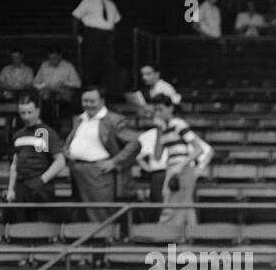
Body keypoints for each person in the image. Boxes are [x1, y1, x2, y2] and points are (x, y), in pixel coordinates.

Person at [64, 86, 139, 222]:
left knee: (100, 213)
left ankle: (105, 235)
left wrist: (115, 162)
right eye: (85, 101)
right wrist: (67, 151)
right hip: (77, 171)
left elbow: (134, 142)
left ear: (102, 101)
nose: (88, 104)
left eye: (92, 101)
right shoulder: (79, 119)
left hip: (98, 173)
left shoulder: (113, 119)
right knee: (79, 214)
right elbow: (71, 141)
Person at [151, 96, 212, 237]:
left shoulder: (178, 124)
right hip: (171, 169)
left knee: (172, 205)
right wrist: (159, 129)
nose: (158, 113)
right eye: (156, 110)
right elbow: (157, 156)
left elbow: (199, 149)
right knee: (186, 205)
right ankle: (194, 237)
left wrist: (181, 165)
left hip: (182, 170)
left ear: (170, 108)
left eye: (161, 109)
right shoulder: (164, 129)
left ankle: (166, 238)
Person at [5, 93, 68, 219]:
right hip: (21, 186)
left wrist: (42, 180)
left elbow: (60, 161)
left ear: (38, 111)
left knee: (42, 224)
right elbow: (14, 164)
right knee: (21, 224)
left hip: (41, 185)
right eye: (23, 113)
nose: (26, 116)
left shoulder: (47, 132)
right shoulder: (18, 135)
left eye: (30, 112)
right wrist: (11, 189)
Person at [72, 0, 121, 92]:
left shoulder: (111, 3)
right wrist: (75, 34)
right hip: (92, 34)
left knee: (108, 62)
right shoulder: (87, 2)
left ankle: (108, 89)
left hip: (107, 35)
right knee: (91, 61)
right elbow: (75, 17)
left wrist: (113, 36)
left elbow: (116, 21)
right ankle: (89, 88)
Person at [33, 47, 81, 129]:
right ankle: (47, 127)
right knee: (43, 103)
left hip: (63, 97)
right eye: (50, 59)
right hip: (46, 97)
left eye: (55, 58)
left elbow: (78, 84)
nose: (52, 61)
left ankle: (60, 127)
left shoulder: (67, 66)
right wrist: (43, 86)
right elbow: (35, 83)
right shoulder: (44, 65)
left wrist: (65, 83)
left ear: (60, 56)